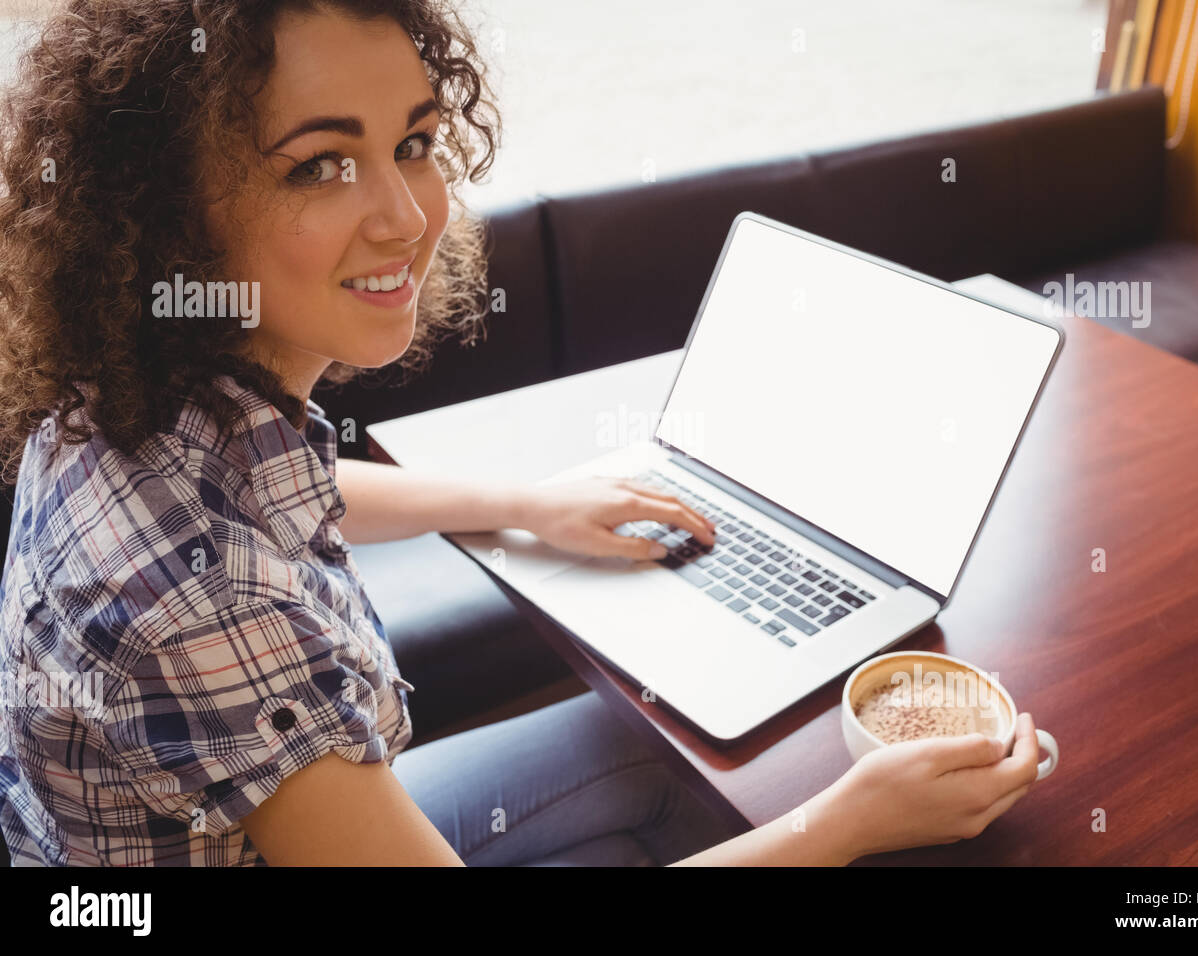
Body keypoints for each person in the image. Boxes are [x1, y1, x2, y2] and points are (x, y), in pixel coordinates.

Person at [0, 0, 1041, 866]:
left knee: (653, 764)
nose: (409, 214)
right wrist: (844, 823)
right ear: (171, 210)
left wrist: (528, 505)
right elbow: (212, 579)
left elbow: (281, 497)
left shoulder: (137, 395)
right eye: (319, 163)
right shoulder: (205, 605)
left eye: (411, 142)